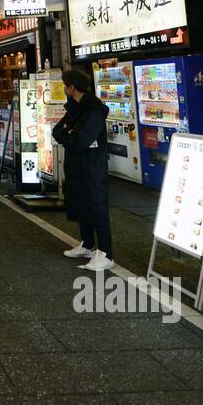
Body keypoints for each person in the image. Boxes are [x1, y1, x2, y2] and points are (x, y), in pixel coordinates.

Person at [52, 68, 114, 272]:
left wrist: (69, 132)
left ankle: (106, 254)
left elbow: (81, 140)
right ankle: (87, 245)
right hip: (77, 165)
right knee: (81, 203)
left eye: (65, 86)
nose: (64, 89)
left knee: (97, 206)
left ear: (72, 88)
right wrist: (69, 132)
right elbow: (56, 131)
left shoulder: (93, 110)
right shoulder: (75, 108)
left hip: (92, 167)